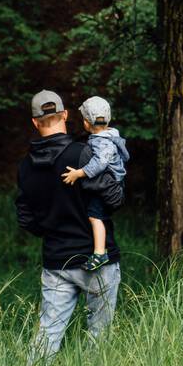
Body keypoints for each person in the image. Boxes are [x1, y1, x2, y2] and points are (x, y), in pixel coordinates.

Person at [15, 89, 121, 365]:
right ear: (64, 115)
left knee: (47, 333)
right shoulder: (85, 153)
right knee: (99, 337)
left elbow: (26, 219)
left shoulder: (25, 167)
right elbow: (114, 198)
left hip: (56, 262)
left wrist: (53, 230)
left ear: (35, 122)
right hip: (97, 260)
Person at [60, 95, 130, 271]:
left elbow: (100, 163)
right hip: (114, 184)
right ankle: (100, 249)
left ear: (86, 123)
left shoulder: (102, 141)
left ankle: (100, 253)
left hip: (111, 186)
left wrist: (79, 173)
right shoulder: (110, 135)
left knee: (95, 216)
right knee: (97, 216)